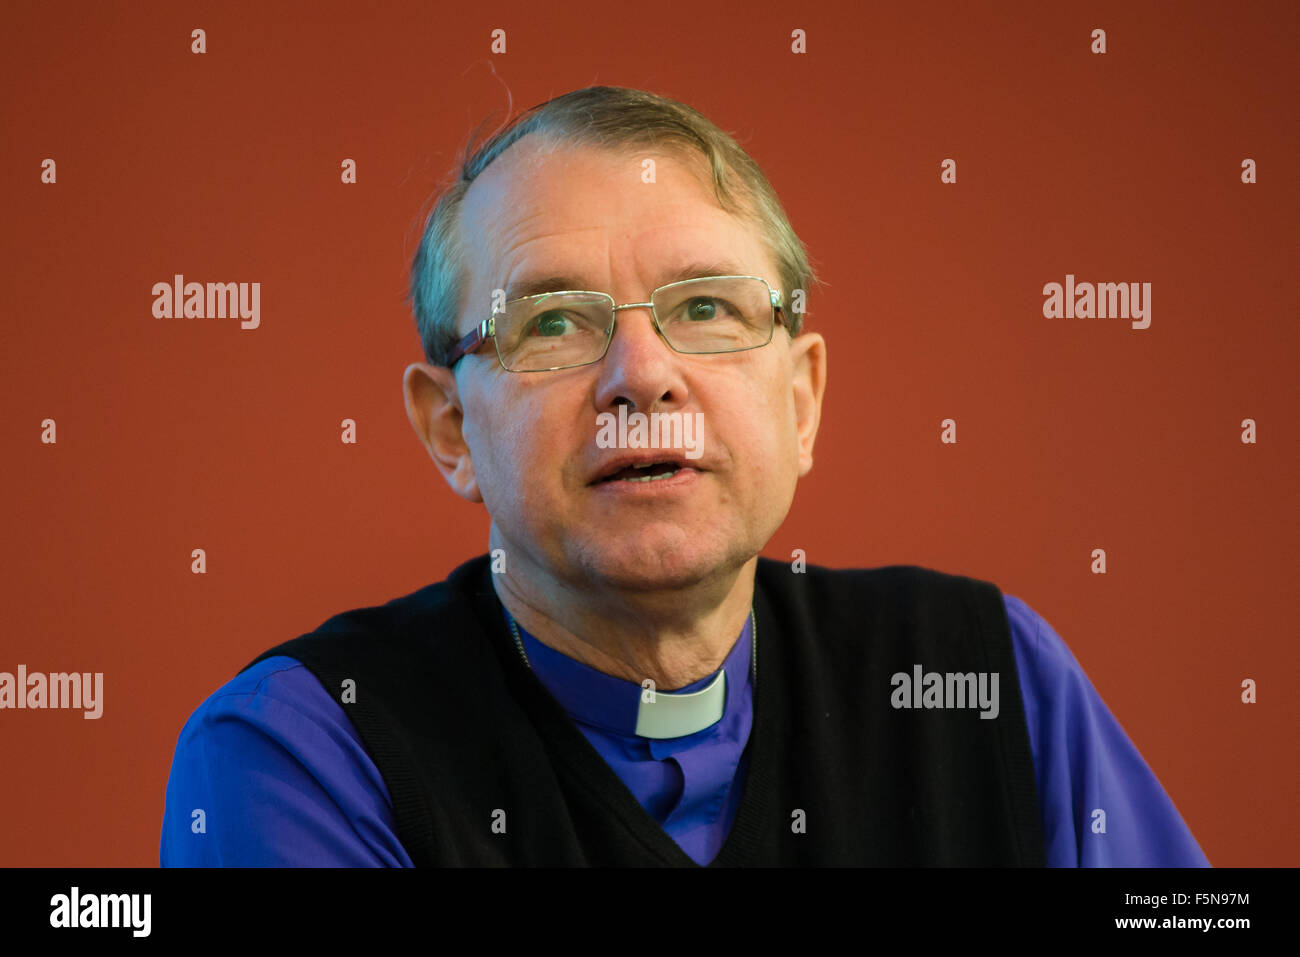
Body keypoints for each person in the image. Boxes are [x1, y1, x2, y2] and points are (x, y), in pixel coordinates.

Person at [161, 85, 1208, 867]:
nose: (642, 376)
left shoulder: (991, 677)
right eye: (554, 322)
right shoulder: (302, 752)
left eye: (706, 308)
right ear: (449, 429)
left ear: (799, 400)